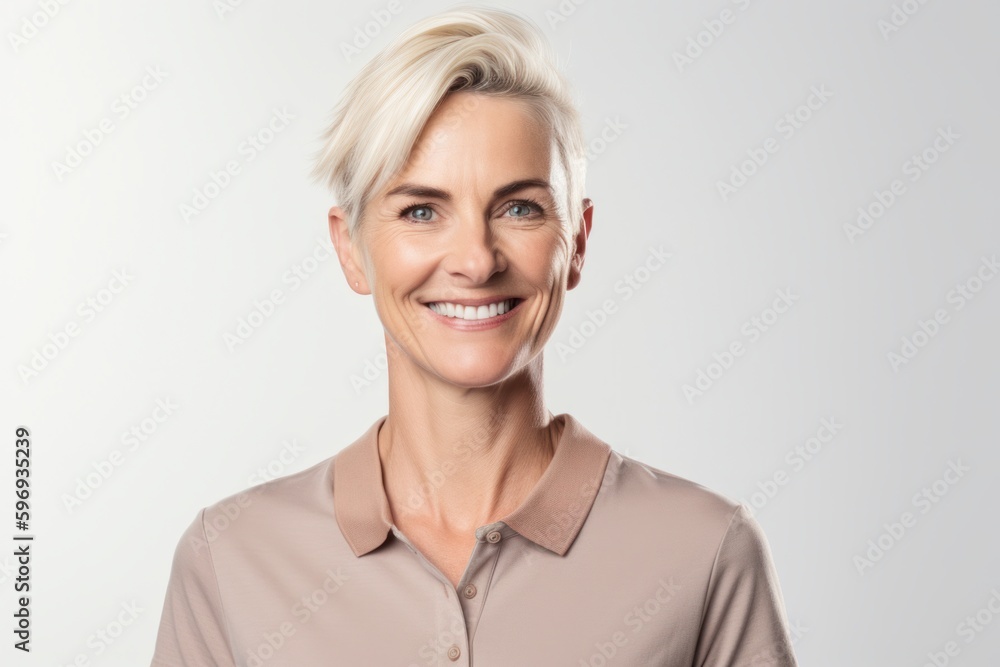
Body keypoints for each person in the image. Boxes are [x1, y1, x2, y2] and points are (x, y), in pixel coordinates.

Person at [151, 5, 798, 665]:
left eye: (519, 207)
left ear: (576, 243)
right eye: (422, 210)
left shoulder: (705, 550)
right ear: (351, 250)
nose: (475, 259)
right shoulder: (231, 558)